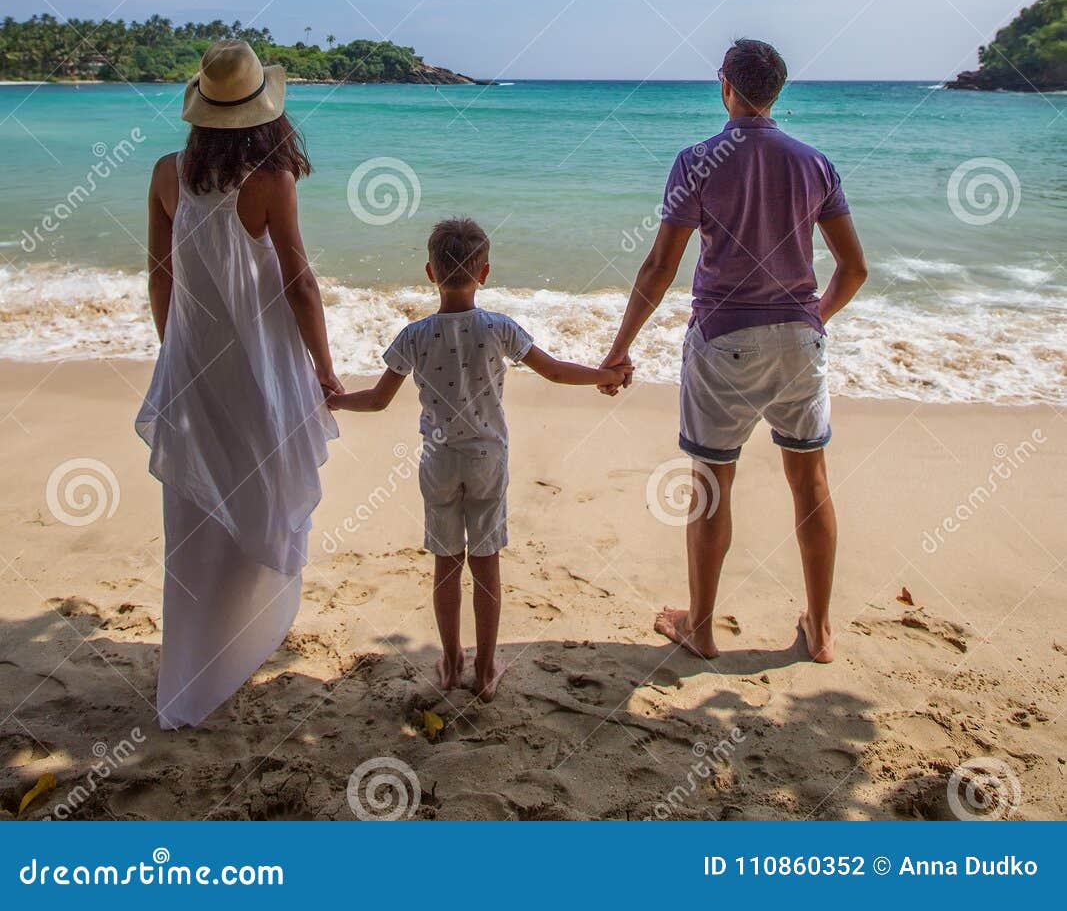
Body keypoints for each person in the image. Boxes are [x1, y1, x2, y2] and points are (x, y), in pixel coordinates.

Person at [598, 39, 867, 665]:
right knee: (810, 480)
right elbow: (853, 268)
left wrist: (619, 350)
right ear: (778, 91)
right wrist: (813, 318)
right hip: (799, 341)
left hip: (723, 343)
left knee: (712, 485)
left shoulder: (696, 162)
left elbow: (660, 267)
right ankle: (820, 628)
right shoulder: (815, 164)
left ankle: (701, 628)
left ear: (725, 85)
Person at [329, 217, 626, 701]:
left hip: (439, 463)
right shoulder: (498, 328)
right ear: (484, 272)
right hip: (488, 460)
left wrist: (337, 401)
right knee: (486, 564)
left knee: (446, 564)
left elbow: (379, 400)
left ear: (430, 272)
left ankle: (451, 663)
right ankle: (486, 668)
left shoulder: (414, 336)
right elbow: (553, 371)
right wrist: (603, 375)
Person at [137, 39, 340, 728]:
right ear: (265, 112)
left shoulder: (166, 173)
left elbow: (159, 277)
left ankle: (196, 659)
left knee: (198, 513)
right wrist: (325, 368)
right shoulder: (271, 180)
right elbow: (300, 282)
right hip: (259, 367)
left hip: (193, 365)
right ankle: (240, 642)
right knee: (261, 496)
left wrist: (175, 352)